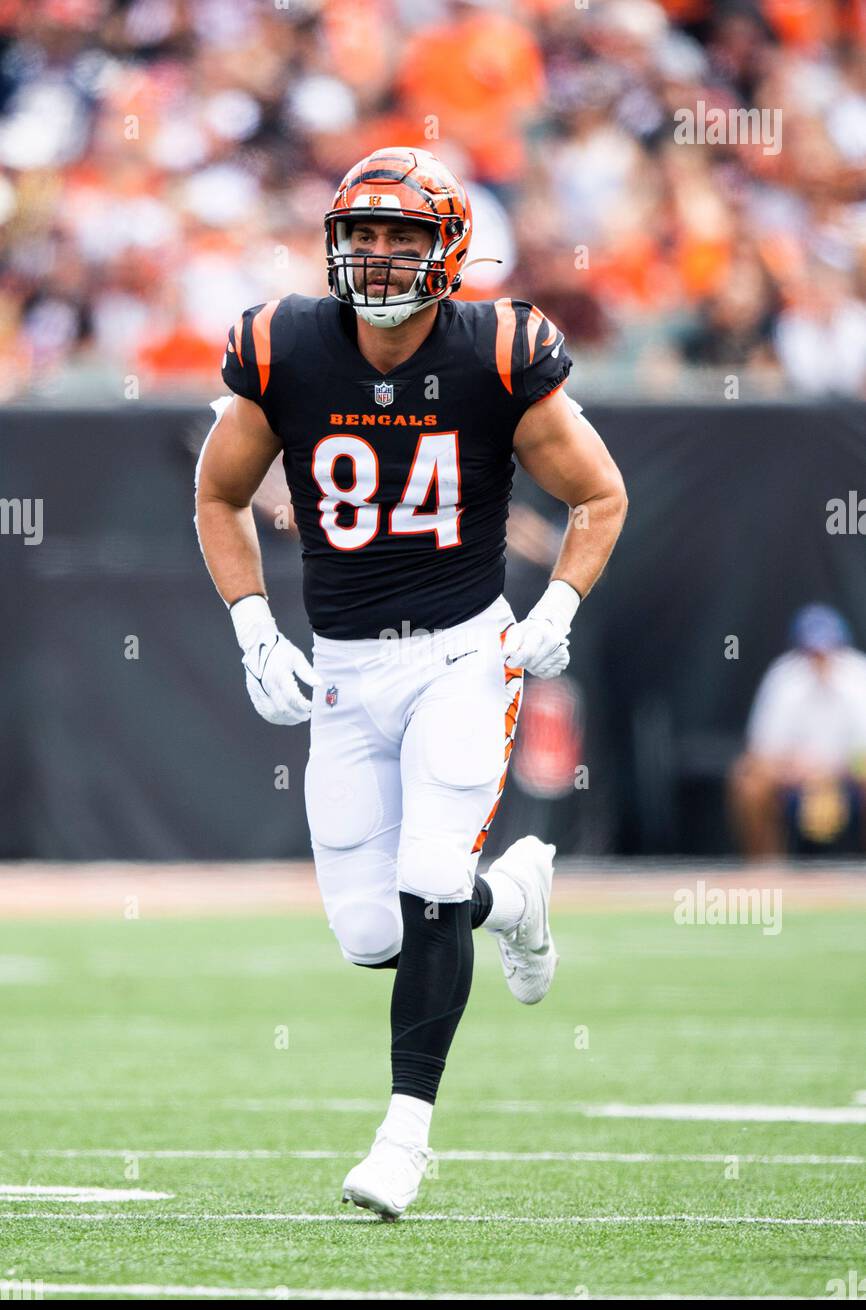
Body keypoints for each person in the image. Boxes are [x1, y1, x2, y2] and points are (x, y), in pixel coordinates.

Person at [194, 147, 627, 1219]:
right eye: (363, 235)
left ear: (449, 249)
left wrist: (558, 607)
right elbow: (218, 494)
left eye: (402, 236)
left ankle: (403, 1138)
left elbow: (599, 495)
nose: (379, 257)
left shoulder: (497, 352)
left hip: (456, 655)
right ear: (332, 242)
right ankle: (514, 897)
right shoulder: (282, 344)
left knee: (431, 873)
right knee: (372, 935)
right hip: (343, 667)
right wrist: (253, 627)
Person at [729, 604, 866, 858]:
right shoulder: (783, 677)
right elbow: (762, 750)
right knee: (749, 781)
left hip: (847, 776)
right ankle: (765, 871)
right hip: (794, 778)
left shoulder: (859, 676)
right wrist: (799, 771)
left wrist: (832, 773)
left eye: (826, 651)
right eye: (813, 651)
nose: (820, 659)